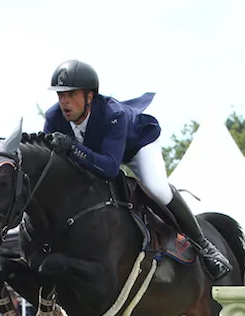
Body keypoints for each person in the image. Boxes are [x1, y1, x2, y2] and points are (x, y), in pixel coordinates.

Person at [43, 60, 231, 281]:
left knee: (157, 189)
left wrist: (73, 148)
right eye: (60, 95)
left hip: (137, 147)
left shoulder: (113, 114)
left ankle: (205, 246)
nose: (64, 101)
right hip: (100, 154)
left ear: (90, 96)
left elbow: (110, 169)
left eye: (71, 94)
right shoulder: (54, 117)